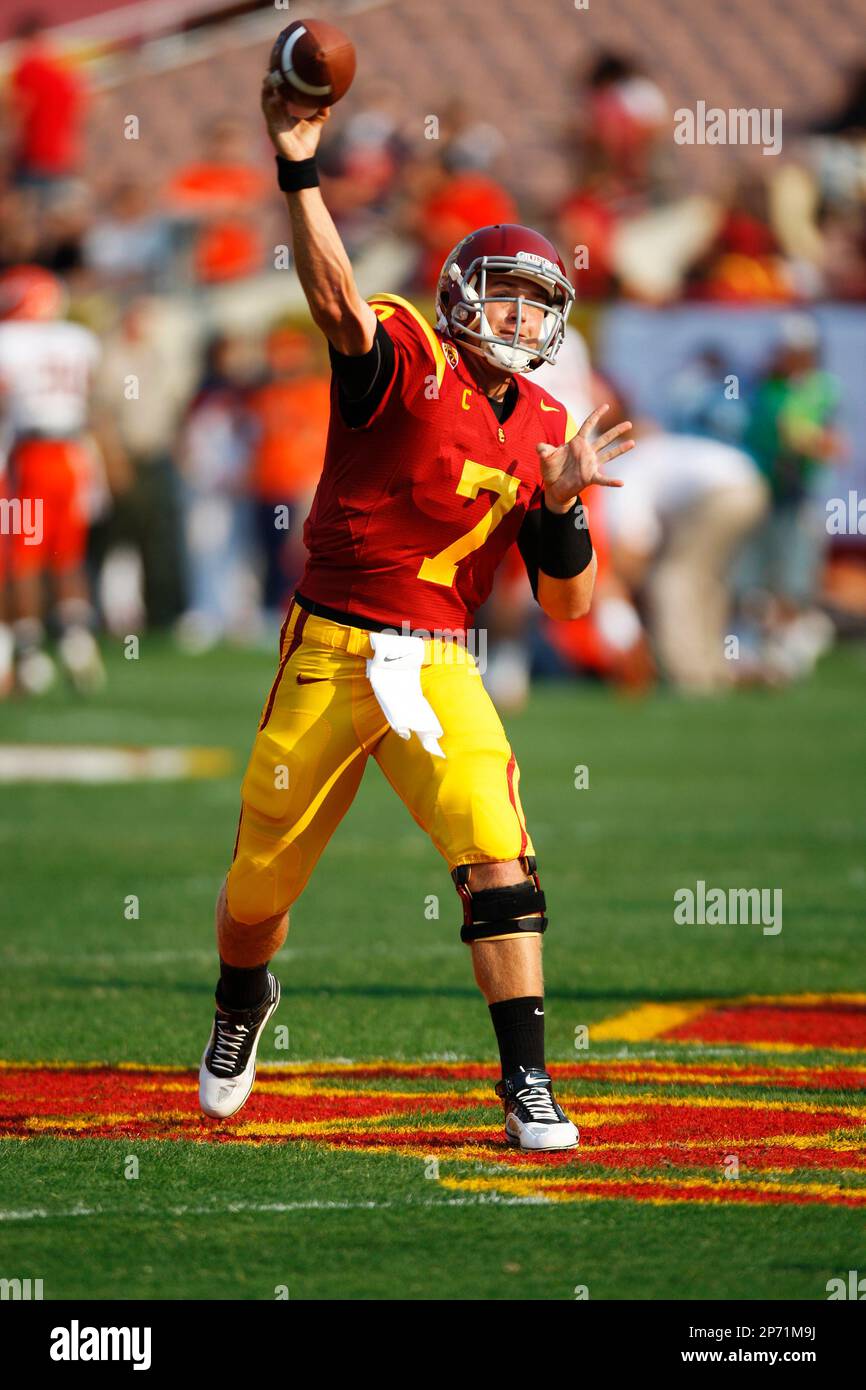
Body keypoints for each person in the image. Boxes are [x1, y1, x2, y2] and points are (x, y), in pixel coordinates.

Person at [197, 83, 635, 1152]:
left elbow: (571, 601)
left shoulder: (545, 424)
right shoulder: (403, 351)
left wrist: (562, 503)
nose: (520, 317)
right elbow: (336, 300)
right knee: (259, 880)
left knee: (497, 848)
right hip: (332, 645)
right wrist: (299, 172)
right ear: (454, 295)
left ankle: (525, 1078)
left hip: (437, 661)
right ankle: (241, 998)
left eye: (537, 302)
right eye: (502, 294)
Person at [0, 265, 105, 694]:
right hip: (76, 454)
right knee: (68, 552)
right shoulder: (78, 340)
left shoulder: (10, 341)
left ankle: (27, 649)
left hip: (32, 456)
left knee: (22, 554)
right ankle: (77, 642)